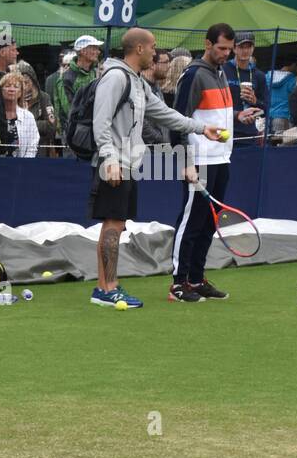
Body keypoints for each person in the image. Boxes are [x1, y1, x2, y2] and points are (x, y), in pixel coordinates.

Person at [90, 27, 223, 309]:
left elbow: (166, 115)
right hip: (113, 165)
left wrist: (201, 128)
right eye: (153, 47)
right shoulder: (115, 78)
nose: (156, 52)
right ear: (138, 49)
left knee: (117, 224)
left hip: (128, 164)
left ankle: (106, 286)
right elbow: (100, 123)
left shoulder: (137, 82)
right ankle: (106, 288)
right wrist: (110, 160)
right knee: (112, 226)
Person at [169, 23, 252, 303]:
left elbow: (213, 115)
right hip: (199, 162)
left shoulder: (221, 73)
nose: (226, 54)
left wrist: (238, 117)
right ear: (207, 44)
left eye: (229, 49)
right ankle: (178, 284)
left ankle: (196, 279)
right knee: (191, 223)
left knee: (208, 224)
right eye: (221, 48)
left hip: (221, 160)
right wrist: (186, 161)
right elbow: (176, 121)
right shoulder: (193, 74)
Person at [52, 34, 103, 133]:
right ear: (83, 51)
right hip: (72, 133)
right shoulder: (65, 78)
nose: (98, 51)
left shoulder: (96, 73)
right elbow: (69, 110)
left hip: (94, 130)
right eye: (94, 48)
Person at [222, 31, 267, 145]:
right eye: (241, 47)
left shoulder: (259, 75)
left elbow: (266, 108)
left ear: (253, 48)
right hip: (224, 130)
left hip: (249, 133)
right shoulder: (223, 70)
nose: (245, 51)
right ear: (234, 48)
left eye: (249, 47)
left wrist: (255, 101)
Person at [13, 60, 54, 156]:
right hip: (17, 150)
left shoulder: (44, 98)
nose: (24, 85)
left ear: (33, 80)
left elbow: (51, 126)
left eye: (26, 81)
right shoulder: (12, 99)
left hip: (41, 151)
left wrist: (29, 123)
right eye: (20, 82)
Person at [0, 71, 38, 157]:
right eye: (7, 86)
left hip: (21, 166)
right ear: (1, 90)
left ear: (20, 93)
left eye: (16, 87)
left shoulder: (28, 116)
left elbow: (32, 146)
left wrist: (24, 165)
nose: (11, 89)